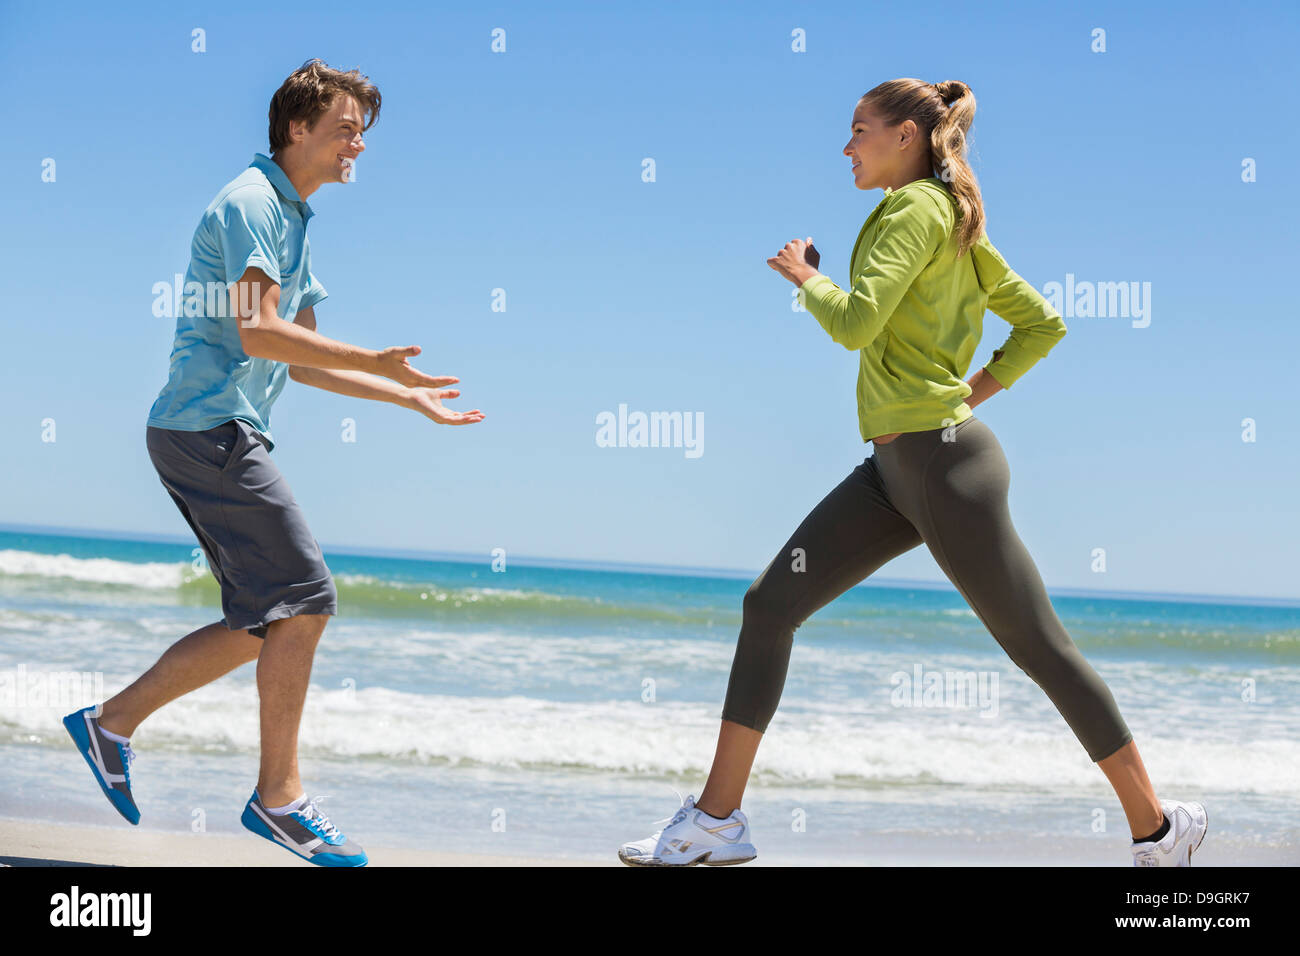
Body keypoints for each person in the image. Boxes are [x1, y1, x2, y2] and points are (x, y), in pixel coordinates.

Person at [618, 78, 1206, 868]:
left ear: (906, 135)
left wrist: (806, 277)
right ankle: (717, 822)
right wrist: (970, 388)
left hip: (942, 465)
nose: (846, 146)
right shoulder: (954, 219)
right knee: (769, 605)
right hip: (894, 470)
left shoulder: (914, 210)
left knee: (1036, 645)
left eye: (858, 130)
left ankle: (1158, 831)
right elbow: (1042, 323)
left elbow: (858, 323)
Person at [62, 59, 484, 867]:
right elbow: (260, 333)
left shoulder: (294, 216)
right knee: (308, 598)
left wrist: (404, 397)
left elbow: (302, 359)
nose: (357, 145)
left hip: (216, 430)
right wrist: (381, 361)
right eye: (346, 128)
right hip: (208, 427)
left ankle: (109, 723)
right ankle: (279, 799)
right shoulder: (253, 204)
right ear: (298, 127)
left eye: (364, 132)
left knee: (266, 621)